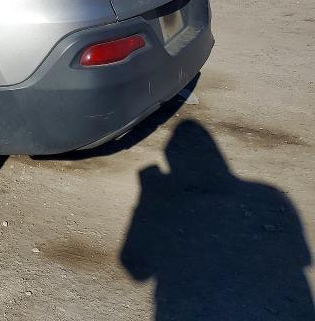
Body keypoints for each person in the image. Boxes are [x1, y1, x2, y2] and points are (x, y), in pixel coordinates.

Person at [120, 120, 314, 320]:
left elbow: (136, 268)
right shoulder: (268, 196)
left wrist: (148, 199)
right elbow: (302, 257)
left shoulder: (170, 205)